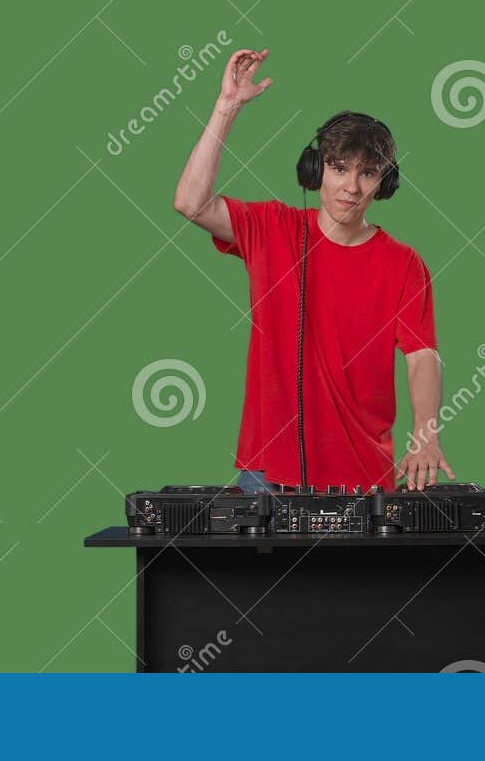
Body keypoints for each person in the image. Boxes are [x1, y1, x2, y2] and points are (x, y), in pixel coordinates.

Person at [172, 48, 454, 492]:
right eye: (339, 168)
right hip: (267, 473)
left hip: (363, 477)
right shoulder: (272, 228)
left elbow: (422, 356)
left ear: (384, 182)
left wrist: (425, 436)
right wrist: (226, 108)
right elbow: (191, 202)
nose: (351, 186)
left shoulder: (404, 263)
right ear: (315, 170)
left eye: (367, 173)